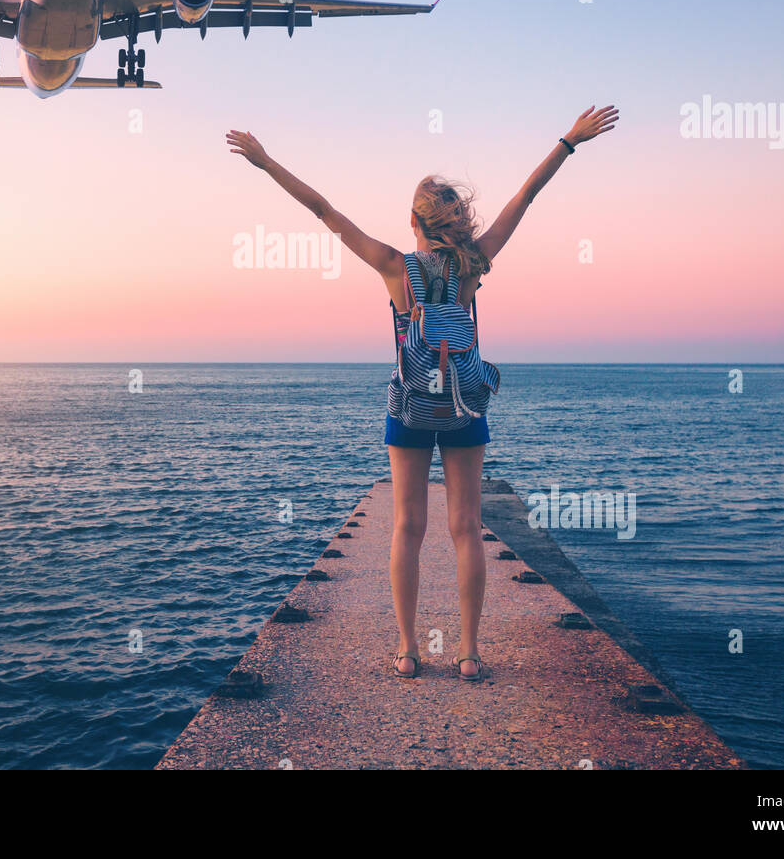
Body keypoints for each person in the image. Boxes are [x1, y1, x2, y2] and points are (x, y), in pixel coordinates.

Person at [226, 104, 619, 681]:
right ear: (456, 222)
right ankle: (468, 653)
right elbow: (524, 198)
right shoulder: (474, 264)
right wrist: (568, 140)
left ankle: (409, 651)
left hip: (409, 406)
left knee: (408, 527)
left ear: (414, 220)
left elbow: (323, 211)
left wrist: (265, 162)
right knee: (466, 526)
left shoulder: (393, 266)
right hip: (464, 407)